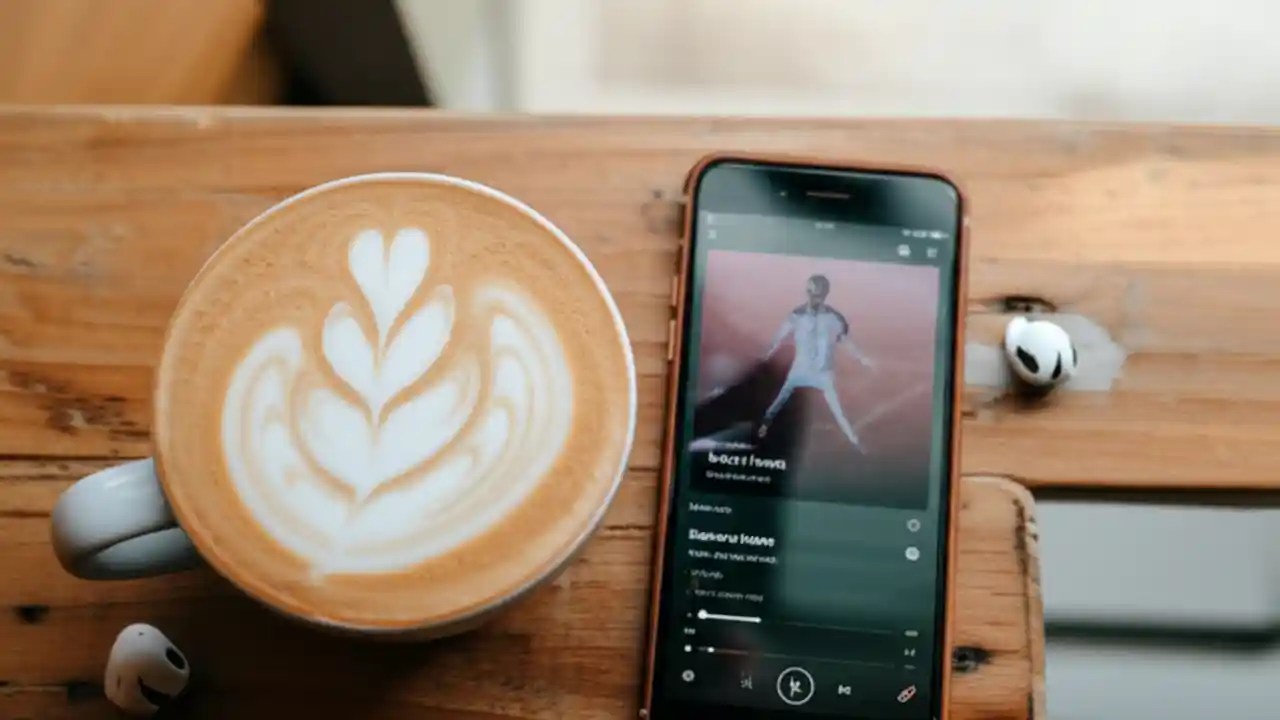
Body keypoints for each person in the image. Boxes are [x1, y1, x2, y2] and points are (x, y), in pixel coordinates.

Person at [758, 273, 873, 450]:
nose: (813, 296)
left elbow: (846, 341)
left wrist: (862, 358)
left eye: (817, 292)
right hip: (801, 370)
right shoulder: (797, 315)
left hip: (822, 373)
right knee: (780, 400)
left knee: (837, 410)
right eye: (811, 291)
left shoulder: (833, 318)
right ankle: (764, 425)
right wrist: (766, 354)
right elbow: (778, 338)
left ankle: (854, 441)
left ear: (824, 293)